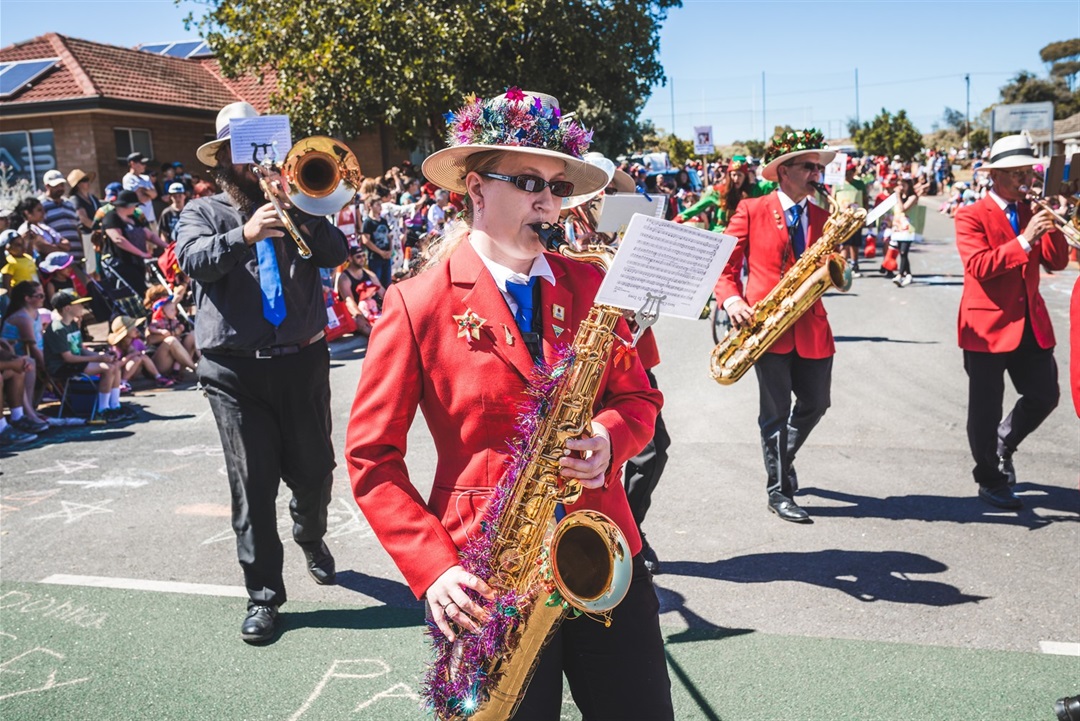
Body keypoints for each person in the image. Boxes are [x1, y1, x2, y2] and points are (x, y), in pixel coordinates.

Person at [345, 88, 673, 720]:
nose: (547, 201)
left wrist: (608, 439)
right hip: (486, 572)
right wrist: (433, 568)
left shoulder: (594, 283)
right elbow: (371, 458)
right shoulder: (415, 303)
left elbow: (639, 396)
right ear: (475, 188)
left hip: (600, 550)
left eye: (557, 186)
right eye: (527, 182)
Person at [175, 101, 348, 644]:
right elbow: (193, 261)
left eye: (260, 148)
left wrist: (299, 206)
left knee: (316, 471)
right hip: (234, 372)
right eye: (240, 152)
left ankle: (310, 533)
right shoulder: (203, 212)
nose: (253, 162)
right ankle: (264, 596)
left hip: (302, 361)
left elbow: (336, 254)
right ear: (221, 159)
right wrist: (245, 234)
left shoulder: (298, 204)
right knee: (252, 486)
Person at [716, 128, 837, 524]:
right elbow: (724, 265)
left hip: (812, 325)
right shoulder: (751, 209)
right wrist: (732, 300)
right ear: (784, 171)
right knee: (775, 413)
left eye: (818, 168)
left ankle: (782, 458)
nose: (816, 174)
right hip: (765, 327)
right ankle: (779, 491)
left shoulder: (825, 217)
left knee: (817, 404)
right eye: (809, 167)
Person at [954, 135, 1069, 510]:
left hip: (1030, 323)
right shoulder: (970, 215)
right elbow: (979, 266)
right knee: (984, 410)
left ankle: (1005, 441)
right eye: (1016, 172)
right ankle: (989, 478)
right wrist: (1024, 240)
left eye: (1028, 171)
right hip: (986, 327)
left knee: (1045, 396)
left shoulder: (1031, 210)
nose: (1026, 179)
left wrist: (1054, 222)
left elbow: (1057, 262)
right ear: (995, 176)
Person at [43, 290, 132, 422]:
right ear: (67, 308)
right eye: (78, 304)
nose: (82, 307)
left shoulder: (72, 325)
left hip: (75, 362)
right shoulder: (58, 329)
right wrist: (98, 358)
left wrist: (103, 355)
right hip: (62, 366)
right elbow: (68, 358)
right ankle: (102, 410)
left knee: (114, 365)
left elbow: (80, 350)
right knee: (107, 368)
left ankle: (115, 405)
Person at [101, 190, 167, 297]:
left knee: (142, 288)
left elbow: (149, 235)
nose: (135, 208)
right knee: (139, 291)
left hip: (136, 262)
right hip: (120, 263)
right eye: (134, 205)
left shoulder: (133, 218)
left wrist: (167, 246)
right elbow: (118, 239)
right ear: (127, 205)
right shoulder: (111, 217)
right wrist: (141, 253)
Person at [334, 246, 383, 336]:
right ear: (350, 258)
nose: (362, 259)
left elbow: (383, 293)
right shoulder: (344, 278)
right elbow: (349, 303)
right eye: (358, 256)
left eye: (363, 255)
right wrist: (361, 317)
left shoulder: (370, 274)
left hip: (371, 310)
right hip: (355, 314)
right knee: (365, 326)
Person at [40, 170, 83, 258]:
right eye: (56, 186)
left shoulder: (69, 204)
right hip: (58, 258)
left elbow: (78, 229)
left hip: (77, 255)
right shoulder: (41, 205)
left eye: (62, 185)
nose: (60, 188)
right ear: (47, 186)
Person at [359, 196, 393, 288]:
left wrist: (390, 250)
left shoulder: (383, 221)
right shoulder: (368, 222)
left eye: (380, 204)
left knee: (387, 283)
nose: (380, 207)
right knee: (377, 284)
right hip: (375, 258)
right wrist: (381, 252)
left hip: (387, 256)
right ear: (370, 206)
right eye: (377, 205)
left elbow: (389, 236)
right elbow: (365, 240)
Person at [122, 152, 158, 229]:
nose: (144, 166)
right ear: (132, 164)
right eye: (142, 163)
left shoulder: (146, 178)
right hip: (138, 220)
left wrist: (143, 190)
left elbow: (154, 194)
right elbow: (139, 198)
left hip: (151, 219)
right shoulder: (128, 179)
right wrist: (148, 193)